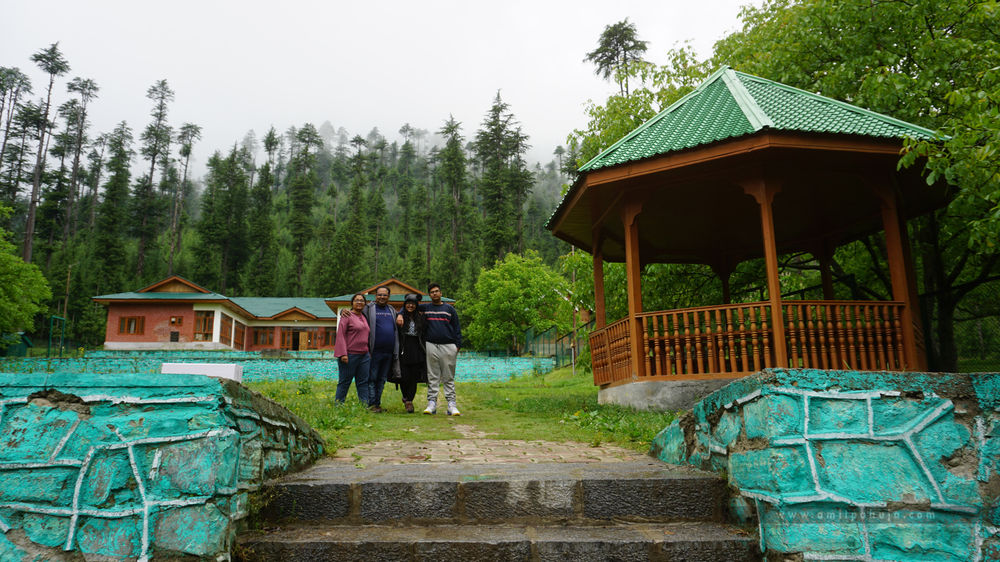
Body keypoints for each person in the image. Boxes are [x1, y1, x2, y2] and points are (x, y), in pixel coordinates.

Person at [419, 282, 462, 416]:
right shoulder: (425, 308)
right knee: (433, 376)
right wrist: (401, 314)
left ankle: (451, 404)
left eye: (437, 291)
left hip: (449, 346)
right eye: (432, 292)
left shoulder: (449, 309)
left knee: (448, 376)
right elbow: (408, 307)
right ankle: (432, 403)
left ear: (441, 293)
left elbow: (457, 328)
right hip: (431, 345)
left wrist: (457, 345)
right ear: (429, 295)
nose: (435, 294)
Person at [361, 285, 399, 413]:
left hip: (388, 352)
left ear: (388, 296)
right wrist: (344, 311)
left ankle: (377, 404)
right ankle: (371, 404)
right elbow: (355, 312)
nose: (382, 297)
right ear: (375, 296)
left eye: (384, 295)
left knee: (382, 379)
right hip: (374, 351)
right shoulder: (368, 308)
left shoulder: (391, 310)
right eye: (379, 295)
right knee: (372, 379)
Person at [333, 293, 370, 404]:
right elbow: (341, 335)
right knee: (344, 382)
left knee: (363, 382)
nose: (359, 302)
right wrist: (343, 354)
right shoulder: (347, 316)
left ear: (365, 303)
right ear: (352, 303)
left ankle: (364, 406)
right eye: (357, 300)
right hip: (349, 355)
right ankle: (339, 405)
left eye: (362, 300)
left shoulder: (364, 316)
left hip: (364, 356)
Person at [396, 293, 428, 413]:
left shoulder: (420, 316)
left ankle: (409, 401)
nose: (410, 306)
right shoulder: (400, 316)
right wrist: (399, 314)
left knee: (414, 377)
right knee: (404, 376)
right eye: (408, 304)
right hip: (403, 347)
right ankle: (405, 396)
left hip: (417, 348)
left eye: (413, 304)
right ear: (405, 305)